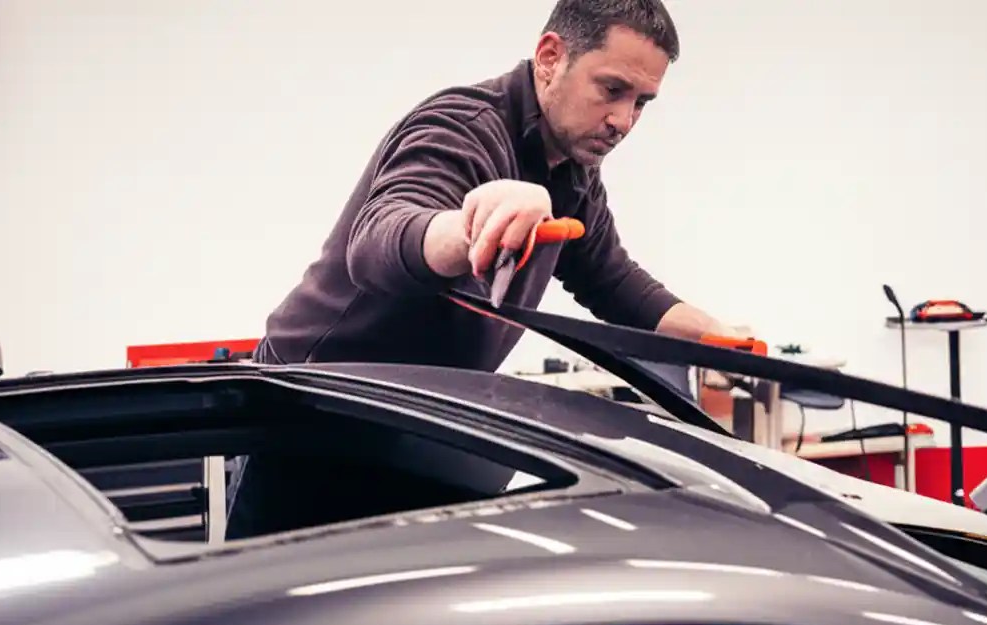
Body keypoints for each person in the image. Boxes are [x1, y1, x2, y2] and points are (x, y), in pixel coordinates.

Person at [226, 0, 743, 539]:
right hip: (317, 417)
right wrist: (473, 226)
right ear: (550, 57)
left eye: (643, 102)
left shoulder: (574, 171)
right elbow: (378, 237)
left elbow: (613, 282)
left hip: (425, 420)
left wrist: (714, 338)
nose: (624, 121)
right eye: (612, 90)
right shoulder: (461, 126)